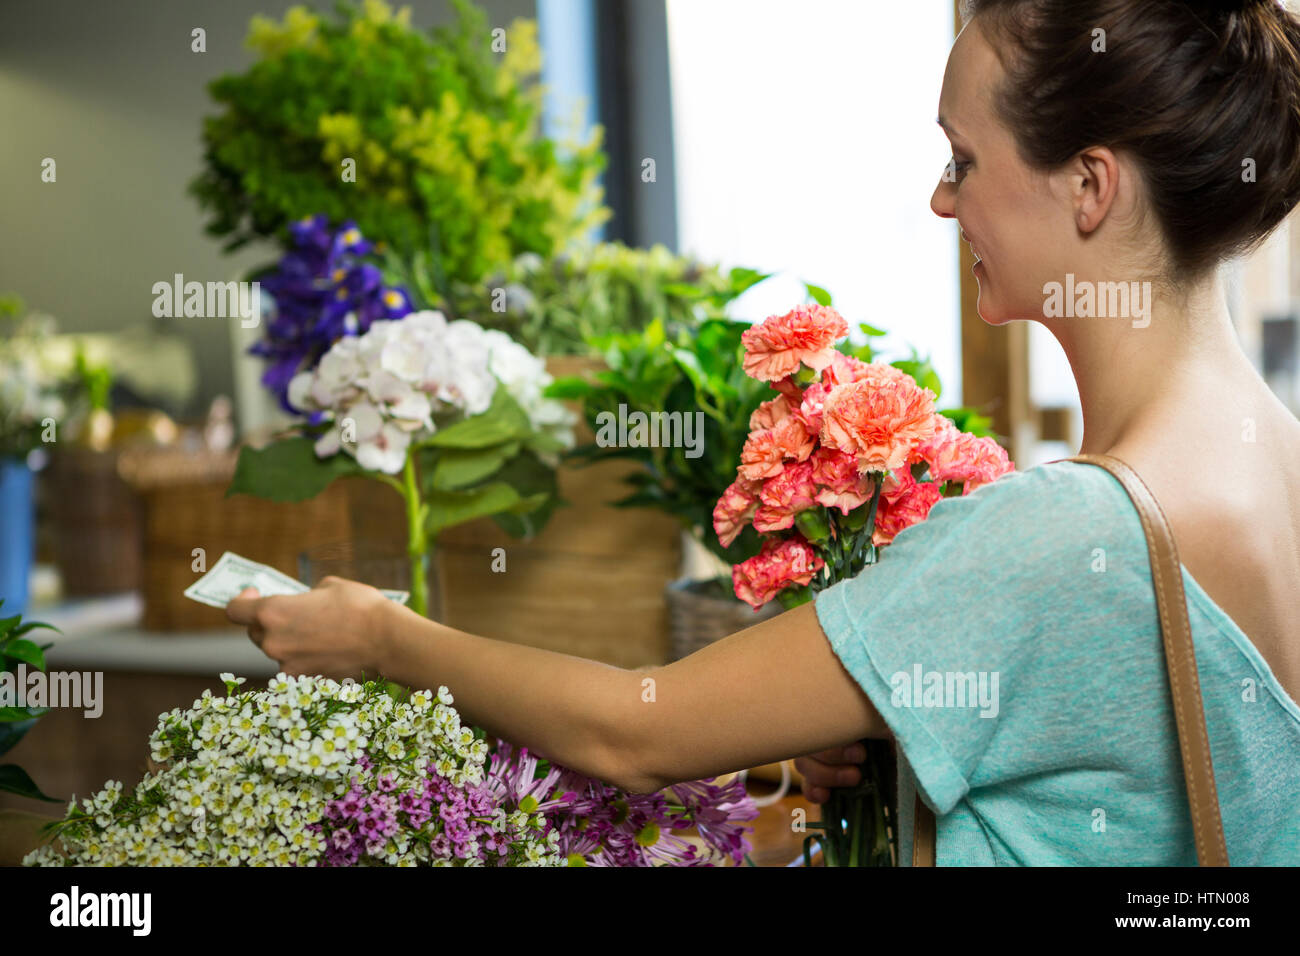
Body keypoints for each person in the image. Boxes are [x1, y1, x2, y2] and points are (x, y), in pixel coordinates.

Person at [228, 0, 1300, 864]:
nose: (940, 200)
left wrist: (380, 636)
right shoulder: (1275, 456)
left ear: (1089, 186)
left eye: (963, 159)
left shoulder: (1059, 533)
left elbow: (631, 731)